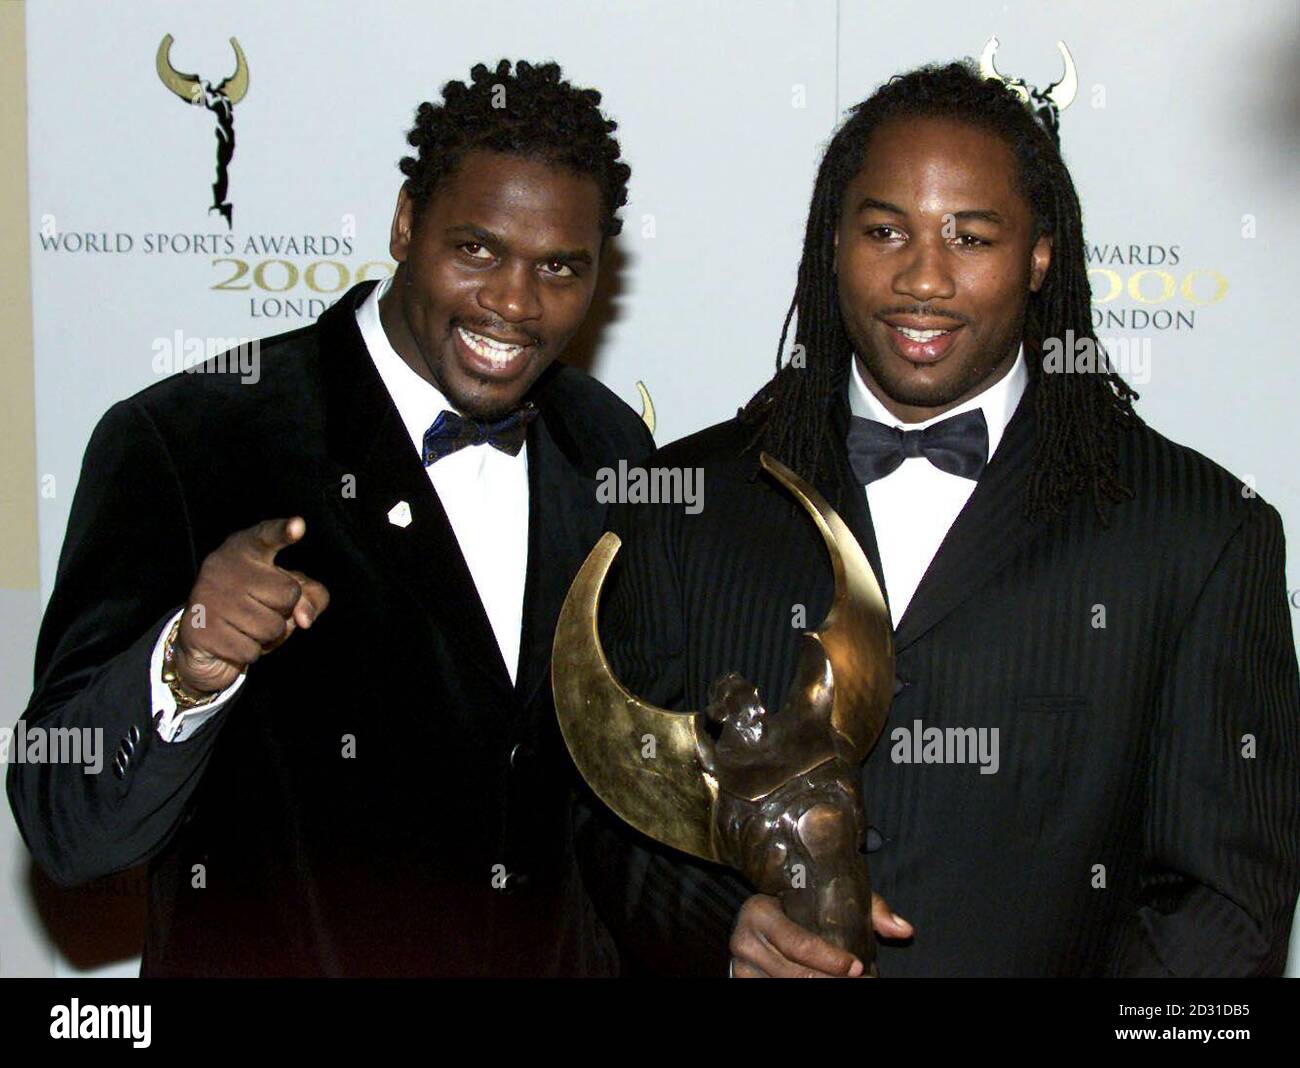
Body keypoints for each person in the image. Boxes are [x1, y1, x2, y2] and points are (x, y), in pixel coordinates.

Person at [580, 61, 1300, 977]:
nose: (923, 278)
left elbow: (1227, 905)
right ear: (832, 243)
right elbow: (612, 822)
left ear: (1040, 255)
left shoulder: (1197, 535)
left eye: (971, 236)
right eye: (885, 230)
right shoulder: (686, 502)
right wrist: (722, 932)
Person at [8, 59, 652, 976]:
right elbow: (64, 824)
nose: (515, 302)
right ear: (403, 223)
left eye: (559, 268)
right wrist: (185, 666)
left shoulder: (607, 447)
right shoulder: (190, 441)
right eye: (476, 249)